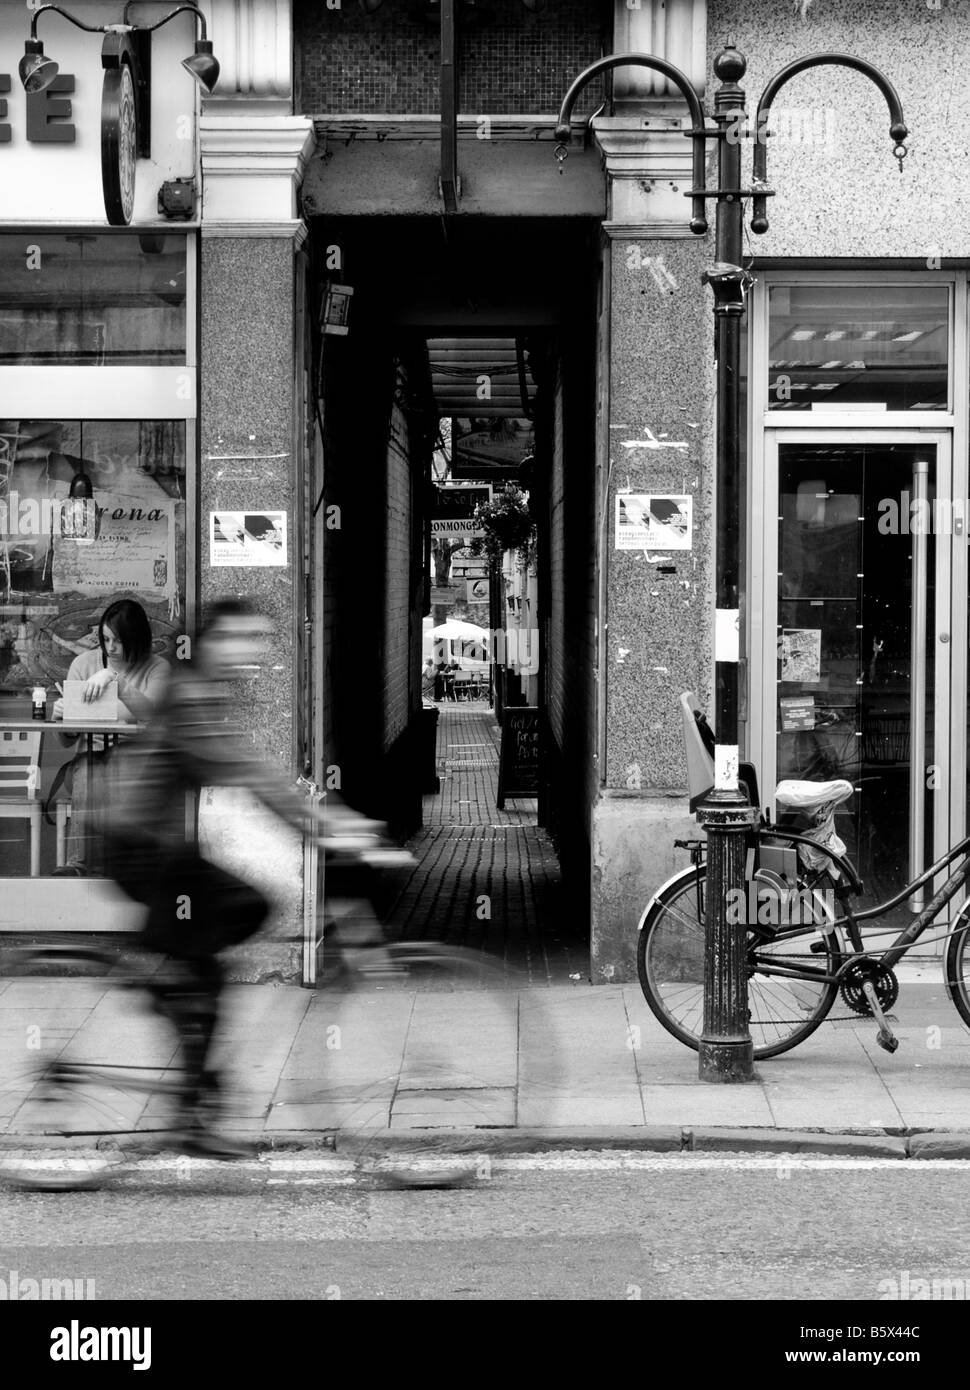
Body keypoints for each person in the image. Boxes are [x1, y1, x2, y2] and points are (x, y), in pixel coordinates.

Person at [103, 598, 326, 1159]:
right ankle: (155, 965)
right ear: (207, 645)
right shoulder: (190, 694)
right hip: (141, 850)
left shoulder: (204, 693)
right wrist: (329, 825)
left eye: (256, 639)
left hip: (161, 851)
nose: (248, 650)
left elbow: (241, 766)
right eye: (236, 638)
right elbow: (244, 770)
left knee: (208, 967)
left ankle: (167, 976)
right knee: (237, 919)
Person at [51, 599, 169, 876]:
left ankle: (126, 869)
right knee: (88, 773)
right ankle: (77, 865)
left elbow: (149, 711)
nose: (111, 647)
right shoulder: (83, 664)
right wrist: (63, 717)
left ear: (137, 639)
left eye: (119, 640)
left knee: (119, 776)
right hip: (89, 757)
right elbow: (67, 740)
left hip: (138, 759)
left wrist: (114, 679)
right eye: (105, 639)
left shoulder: (157, 668)